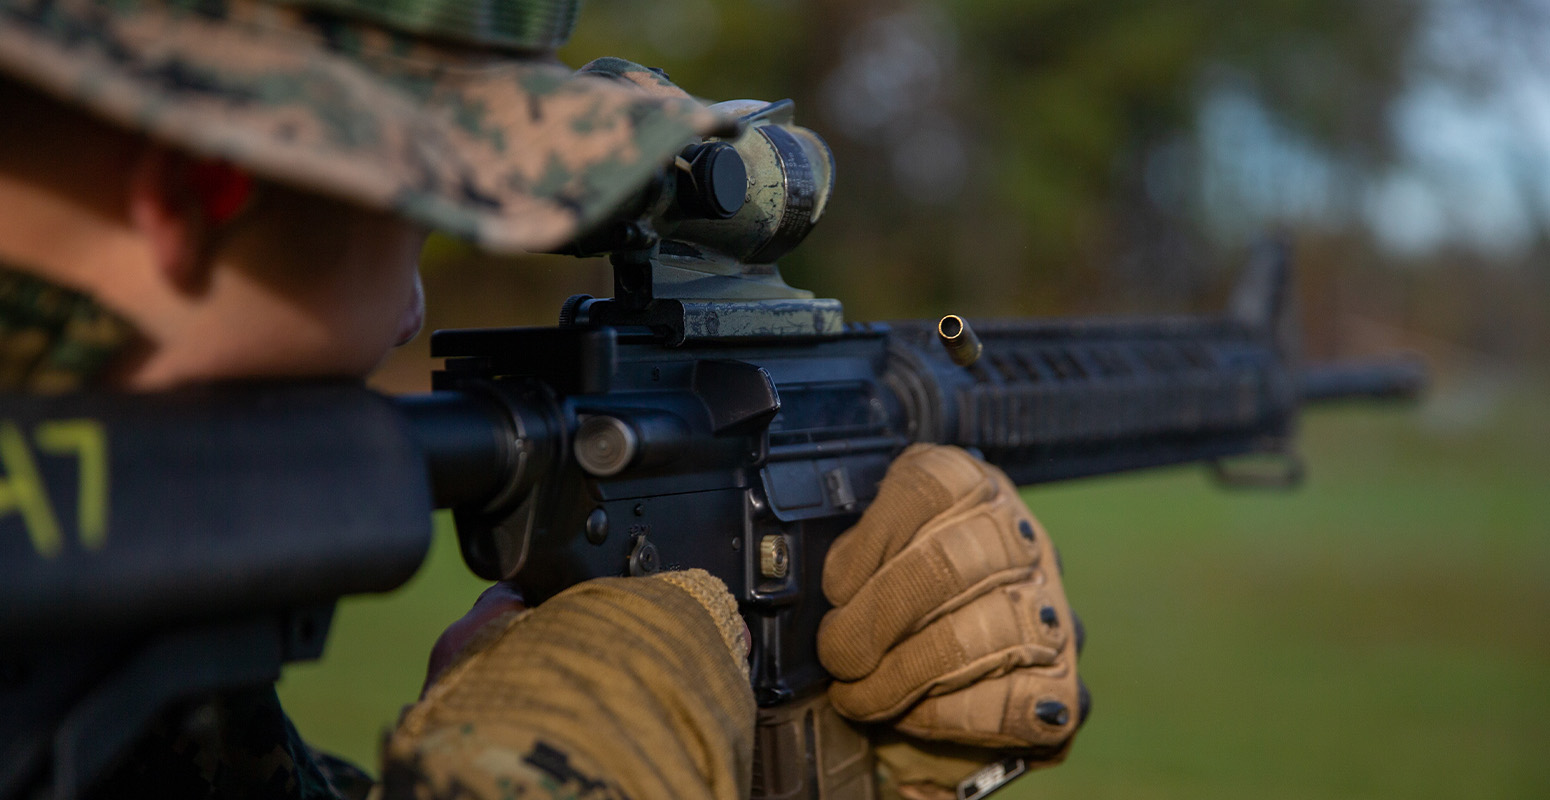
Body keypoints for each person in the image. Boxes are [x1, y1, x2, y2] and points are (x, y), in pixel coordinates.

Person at [0, 1, 1084, 798]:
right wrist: (559, 761)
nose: (408, 317)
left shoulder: (100, 632)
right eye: (417, 217)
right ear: (200, 185)